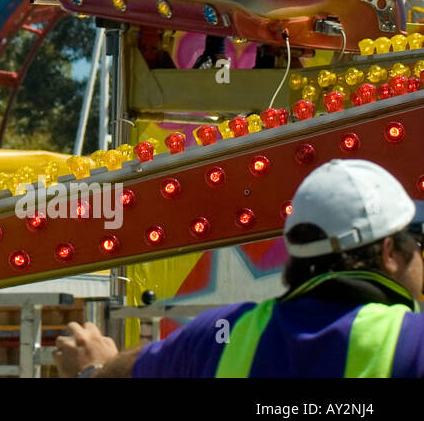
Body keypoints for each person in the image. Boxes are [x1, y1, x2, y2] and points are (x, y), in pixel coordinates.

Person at [55, 159, 424, 377]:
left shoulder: (221, 335)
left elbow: (130, 370)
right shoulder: (413, 341)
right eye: (417, 240)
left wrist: (93, 369)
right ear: (389, 252)